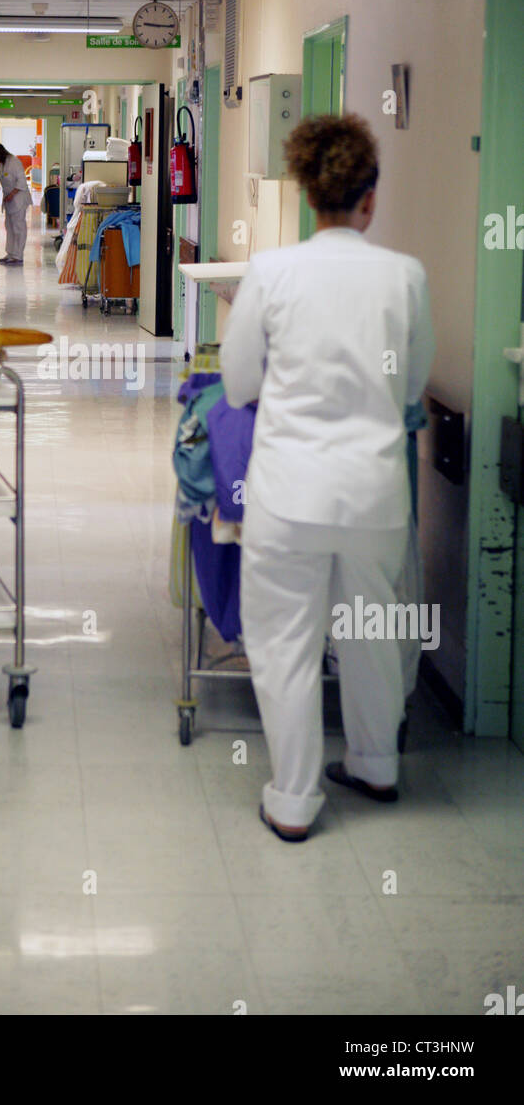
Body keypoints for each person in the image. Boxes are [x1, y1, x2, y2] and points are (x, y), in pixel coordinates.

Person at [221, 113, 434, 842]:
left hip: (290, 492)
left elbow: (239, 380)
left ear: (311, 196)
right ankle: (375, 765)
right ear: (369, 199)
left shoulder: (273, 272)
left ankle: (294, 798)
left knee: (286, 641)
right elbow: (411, 388)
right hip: (375, 495)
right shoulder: (405, 277)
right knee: (373, 631)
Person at [0, 142, 32, 264]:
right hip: (9, 199)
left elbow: (22, 181)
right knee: (9, 227)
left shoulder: (14, 162)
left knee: (18, 227)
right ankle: (10, 253)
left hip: (18, 199)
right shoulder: (2, 163)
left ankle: (18, 256)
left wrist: (11, 195)